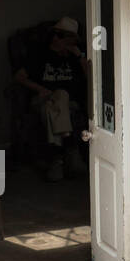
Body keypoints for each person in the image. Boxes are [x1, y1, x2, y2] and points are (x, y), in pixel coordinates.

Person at [14, 16, 89, 181]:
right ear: (56, 37)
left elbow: (91, 78)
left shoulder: (75, 57)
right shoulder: (40, 54)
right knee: (57, 97)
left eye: (73, 39)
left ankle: (57, 160)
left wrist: (79, 56)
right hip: (43, 97)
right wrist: (41, 90)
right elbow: (19, 77)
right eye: (67, 38)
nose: (70, 43)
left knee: (55, 104)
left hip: (65, 103)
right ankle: (71, 148)